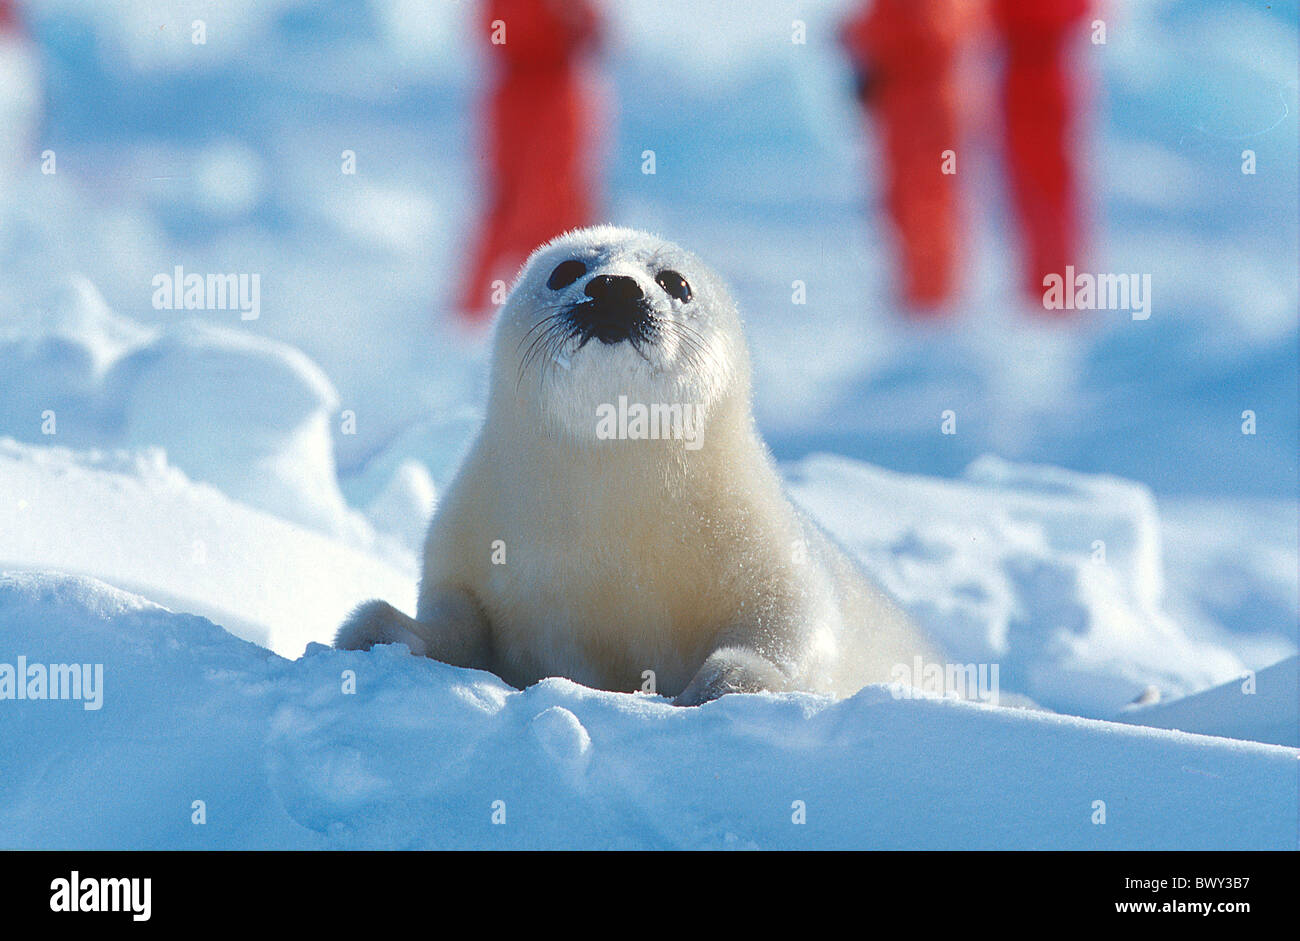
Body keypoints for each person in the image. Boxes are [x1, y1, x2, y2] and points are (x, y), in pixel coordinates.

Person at [841, 0, 1090, 314]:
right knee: (912, 199)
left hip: (930, 97)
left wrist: (867, 38)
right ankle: (931, 297)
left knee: (928, 199)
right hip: (927, 93)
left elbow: (933, 29)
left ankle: (933, 301)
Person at [457, 0, 603, 323]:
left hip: (558, 93)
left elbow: (595, 29)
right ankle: (471, 316)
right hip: (518, 94)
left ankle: (583, 300)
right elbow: (493, 32)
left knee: (564, 199)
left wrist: (575, 23)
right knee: (509, 202)